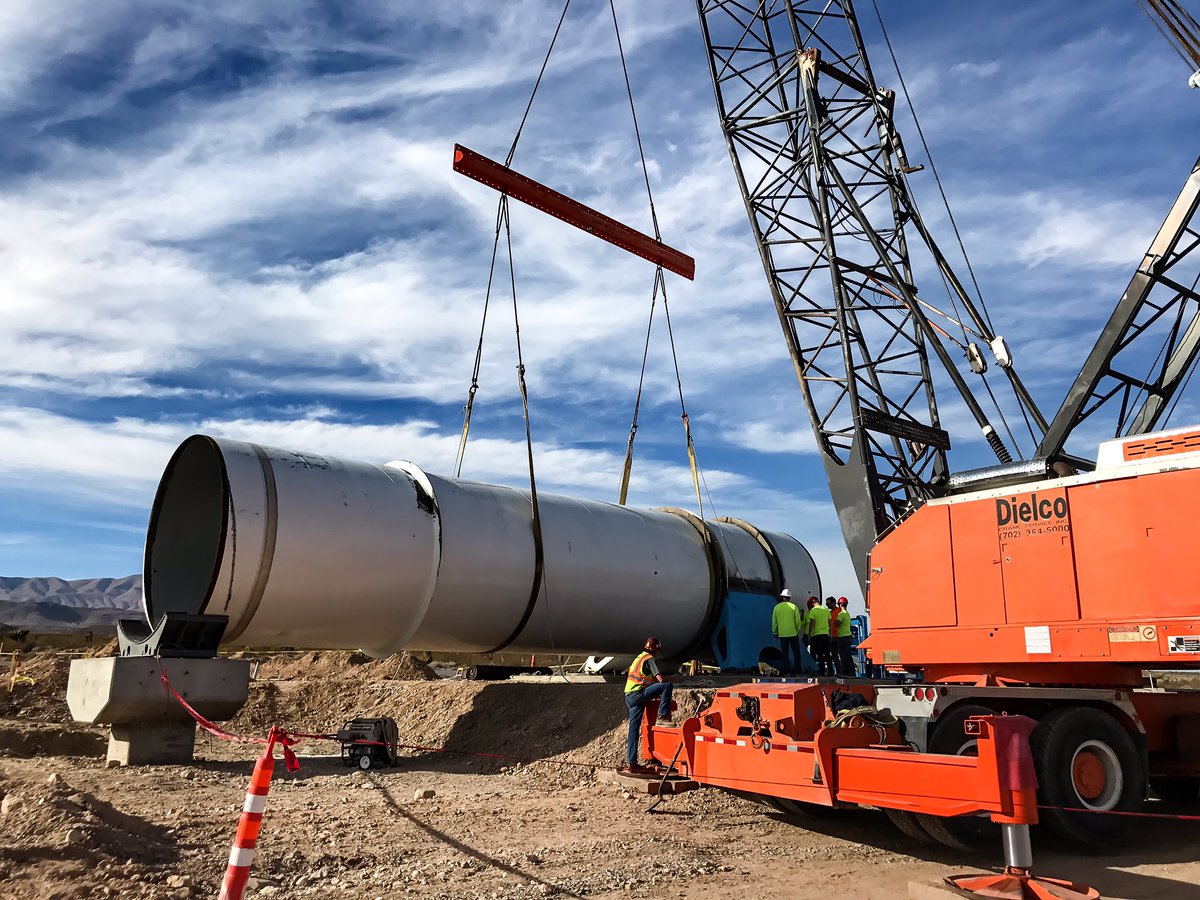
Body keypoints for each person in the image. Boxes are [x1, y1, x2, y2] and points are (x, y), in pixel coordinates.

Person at [623, 636, 673, 773]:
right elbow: (661, 680)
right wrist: (670, 680)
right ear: (656, 650)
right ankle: (662, 717)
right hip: (638, 694)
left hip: (629, 696)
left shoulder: (638, 658)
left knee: (633, 730)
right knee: (667, 686)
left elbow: (641, 679)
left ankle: (631, 762)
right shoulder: (649, 659)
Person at [771, 588, 803, 676]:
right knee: (796, 652)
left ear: (782, 597)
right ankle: (798, 670)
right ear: (789, 598)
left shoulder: (777, 608)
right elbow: (798, 621)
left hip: (782, 634)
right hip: (793, 633)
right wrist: (797, 629)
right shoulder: (794, 607)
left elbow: (774, 622)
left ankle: (787, 671)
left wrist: (775, 632)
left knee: (785, 653)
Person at [807, 597, 833, 676]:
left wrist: (809, 635)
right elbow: (830, 623)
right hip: (825, 635)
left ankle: (819, 671)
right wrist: (831, 634)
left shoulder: (813, 611)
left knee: (818, 654)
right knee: (827, 654)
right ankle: (830, 671)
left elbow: (812, 624)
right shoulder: (826, 610)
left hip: (817, 635)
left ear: (812, 603)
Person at [834, 597, 856, 676]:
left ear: (840, 605)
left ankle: (846, 673)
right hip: (848, 637)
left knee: (843, 656)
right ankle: (851, 673)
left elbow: (836, 623)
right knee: (848, 656)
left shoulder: (841, 614)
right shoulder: (847, 614)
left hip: (842, 637)